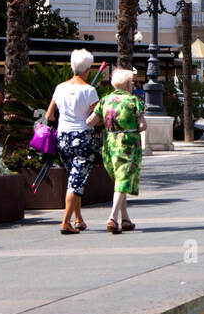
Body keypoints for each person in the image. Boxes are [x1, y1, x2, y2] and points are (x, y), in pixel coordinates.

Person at [45, 49, 100, 236]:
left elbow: (49, 115)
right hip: (83, 138)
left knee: (73, 178)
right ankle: (66, 221)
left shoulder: (60, 88)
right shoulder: (89, 91)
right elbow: (97, 116)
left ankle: (78, 219)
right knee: (76, 182)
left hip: (63, 138)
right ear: (87, 69)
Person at [92, 68, 147, 235]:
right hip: (128, 144)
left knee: (119, 180)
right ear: (129, 84)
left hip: (109, 144)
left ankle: (125, 219)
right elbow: (143, 125)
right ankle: (112, 217)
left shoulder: (105, 100)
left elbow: (91, 121)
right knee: (123, 181)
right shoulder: (133, 101)